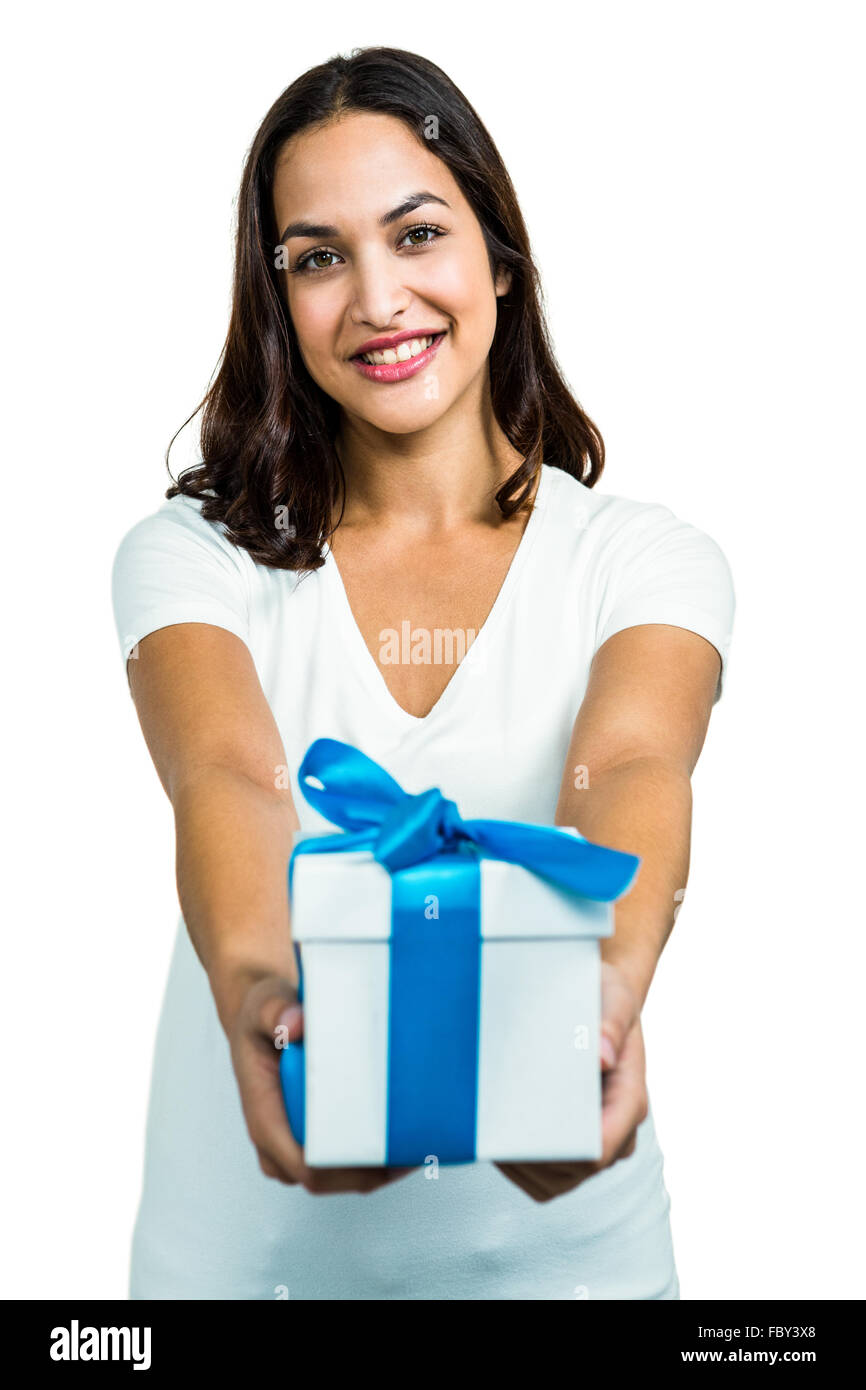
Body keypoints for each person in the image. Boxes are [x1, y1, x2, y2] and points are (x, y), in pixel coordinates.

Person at [111, 46, 735, 1300]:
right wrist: (264, 997)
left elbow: (625, 765)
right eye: (319, 257)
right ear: (276, 295)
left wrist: (606, 991)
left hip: (575, 1272)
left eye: (416, 234)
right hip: (244, 1268)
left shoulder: (641, 561)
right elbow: (228, 774)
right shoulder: (192, 558)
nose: (377, 298)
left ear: (497, 256)